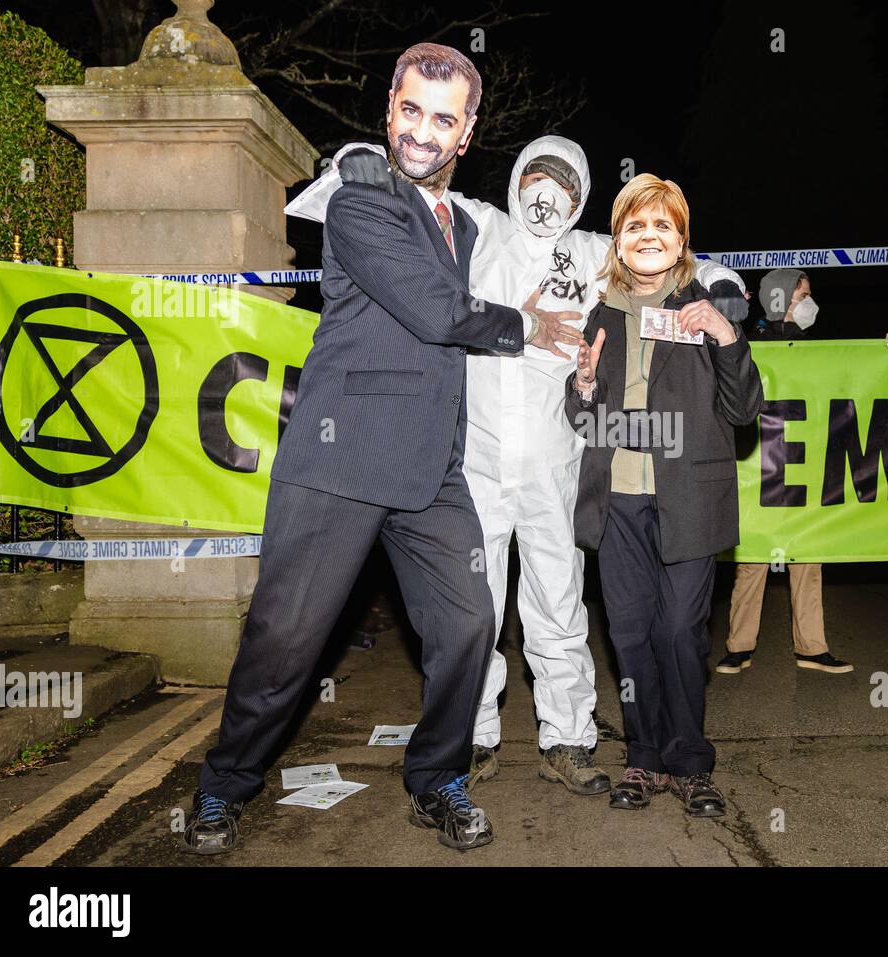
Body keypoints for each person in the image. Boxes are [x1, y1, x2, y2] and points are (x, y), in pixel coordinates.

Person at [183, 42, 580, 856]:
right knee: (287, 638)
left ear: (468, 132)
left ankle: (438, 779)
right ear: (388, 111)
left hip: (433, 469)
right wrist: (526, 325)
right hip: (342, 458)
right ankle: (223, 787)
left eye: (444, 118)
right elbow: (439, 312)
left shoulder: (469, 222)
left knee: (472, 622)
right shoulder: (360, 205)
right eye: (409, 111)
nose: (423, 132)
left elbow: (571, 251)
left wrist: (704, 301)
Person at [327, 136, 747, 796]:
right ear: (517, 178)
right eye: (538, 176)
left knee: (558, 605)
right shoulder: (477, 228)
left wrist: (724, 293)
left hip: (560, 468)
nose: (548, 193)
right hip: (478, 467)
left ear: (581, 198)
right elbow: (412, 199)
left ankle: (568, 737)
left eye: (566, 184)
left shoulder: (590, 254)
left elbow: (683, 261)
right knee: (473, 610)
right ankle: (473, 737)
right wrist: (360, 167)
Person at [566, 173, 763, 817]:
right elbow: (583, 420)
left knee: (680, 631)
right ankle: (642, 758)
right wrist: (585, 390)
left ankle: (690, 762)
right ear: (619, 242)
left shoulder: (707, 308)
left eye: (662, 226)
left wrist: (729, 338)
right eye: (635, 225)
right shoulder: (601, 314)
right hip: (617, 502)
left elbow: (743, 412)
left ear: (681, 241)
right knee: (629, 633)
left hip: (688, 501)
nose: (648, 236)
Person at [720, 269, 888, 675]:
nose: (810, 302)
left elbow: (856, 374)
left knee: (809, 557)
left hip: (807, 469)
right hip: (762, 468)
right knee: (752, 558)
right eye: (802, 294)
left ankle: (812, 648)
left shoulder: (817, 348)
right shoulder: (746, 345)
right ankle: (739, 647)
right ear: (779, 299)